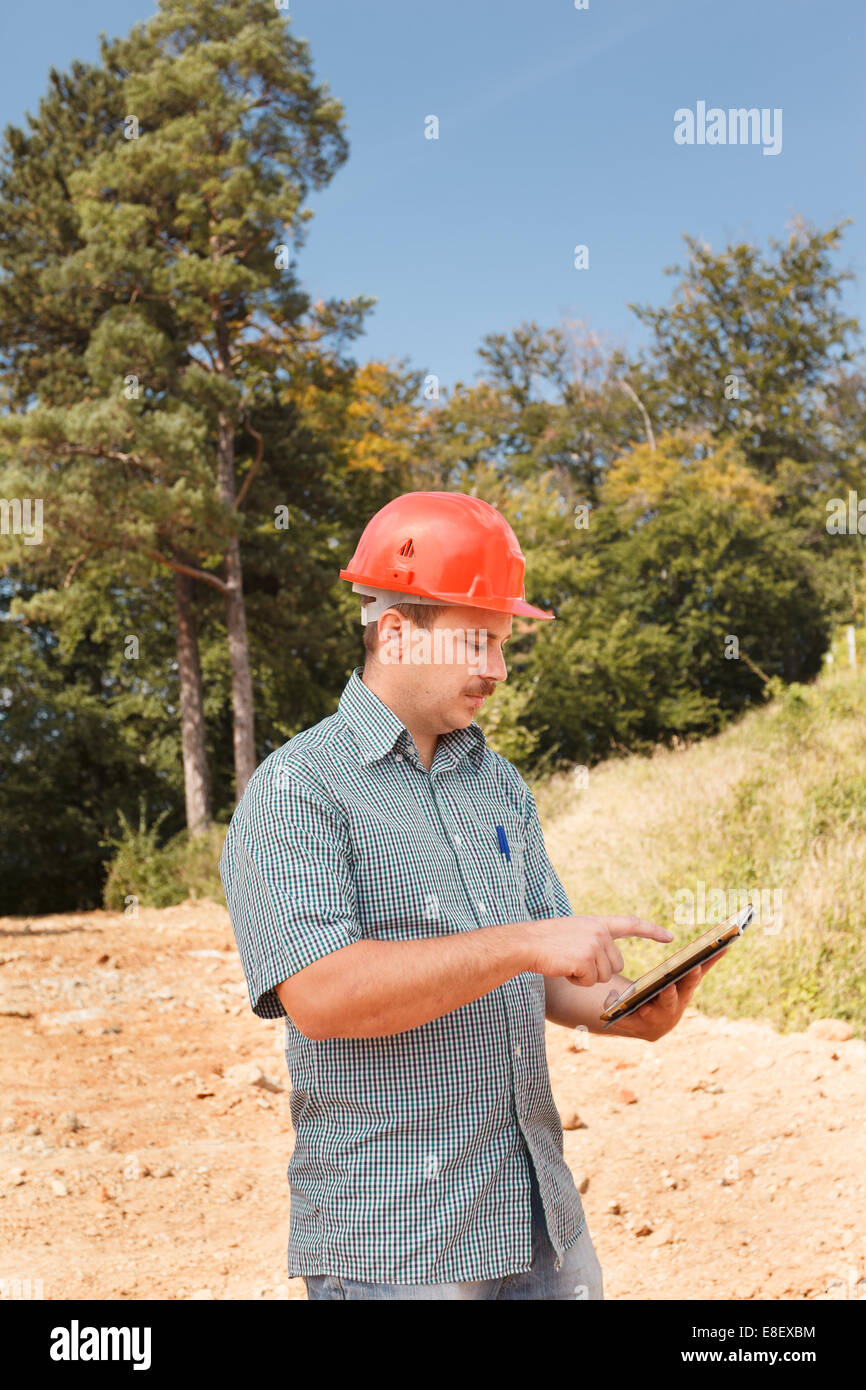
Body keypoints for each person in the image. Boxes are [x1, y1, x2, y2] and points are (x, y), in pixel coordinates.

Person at [219, 490, 722, 1301]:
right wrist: (524, 943)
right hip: (398, 1245)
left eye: (502, 643)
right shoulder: (297, 791)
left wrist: (626, 1008)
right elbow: (322, 995)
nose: (496, 669)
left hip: (538, 1221)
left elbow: (553, 977)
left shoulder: (498, 785)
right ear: (394, 632)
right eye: (476, 642)